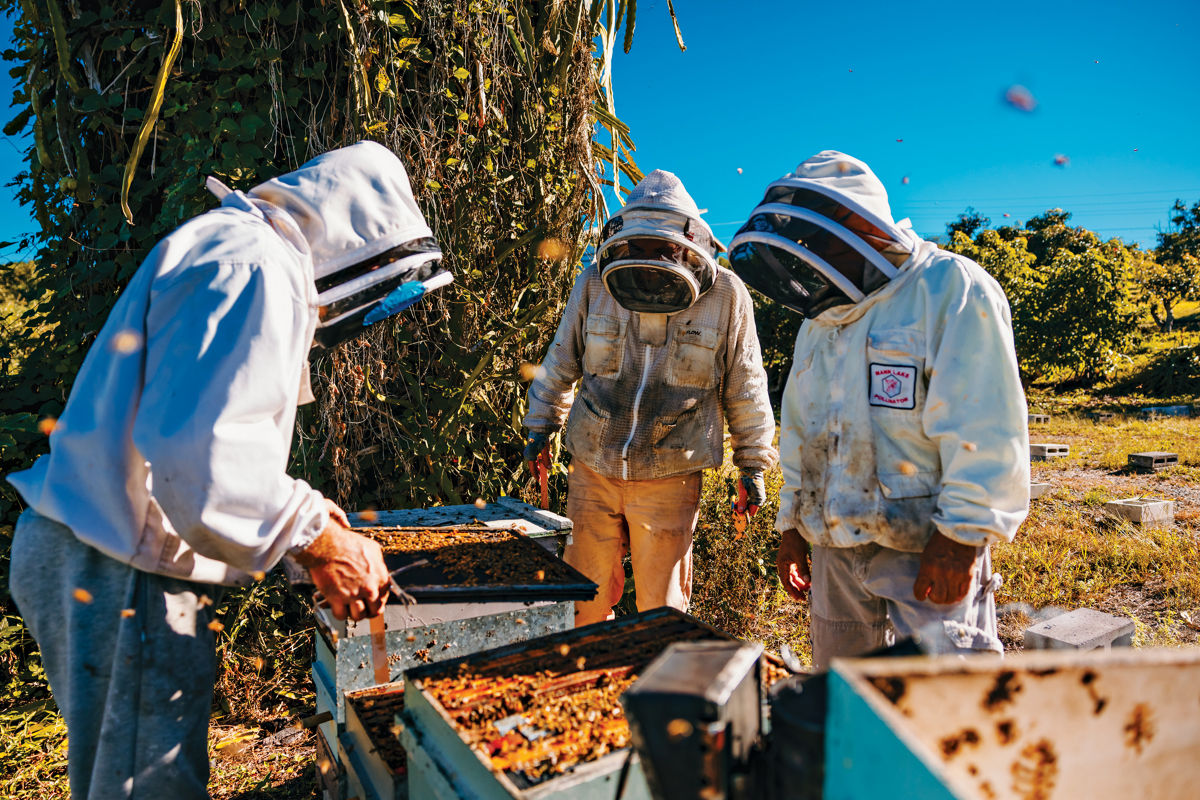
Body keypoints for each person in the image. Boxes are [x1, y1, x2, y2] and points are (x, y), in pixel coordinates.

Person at [6, 140, 451, 798]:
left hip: (98, 555)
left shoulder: (234, 249)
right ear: (364, 241)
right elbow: (202, 457)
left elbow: (193, 438)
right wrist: (317, 537)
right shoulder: (254, 264)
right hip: (116, 570)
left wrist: (307, 533)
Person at [727, 151, 1029, 668]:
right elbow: (803, 431)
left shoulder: (950, 288)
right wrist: (792, 525)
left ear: (856, 224)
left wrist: (962, 535)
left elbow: (987, 424)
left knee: (944, 702)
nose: (812, 255)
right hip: (835, 545)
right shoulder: (817, 322)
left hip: (928, 541)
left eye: (819, 241)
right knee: (844, 693)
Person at [523, 170, 776, 626]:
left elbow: (746, 383)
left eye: (661, 249)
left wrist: (753, 463)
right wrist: (540, 426)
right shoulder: (595, 283)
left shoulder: (726, 295)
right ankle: (588, 688)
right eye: (638, 248)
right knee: (585, 599)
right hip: (592, 467)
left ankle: (656, 694)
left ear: (688, 243)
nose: (649, 258)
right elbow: (561, 360)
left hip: (670, 474)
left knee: (662, 610)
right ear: (621, 241)